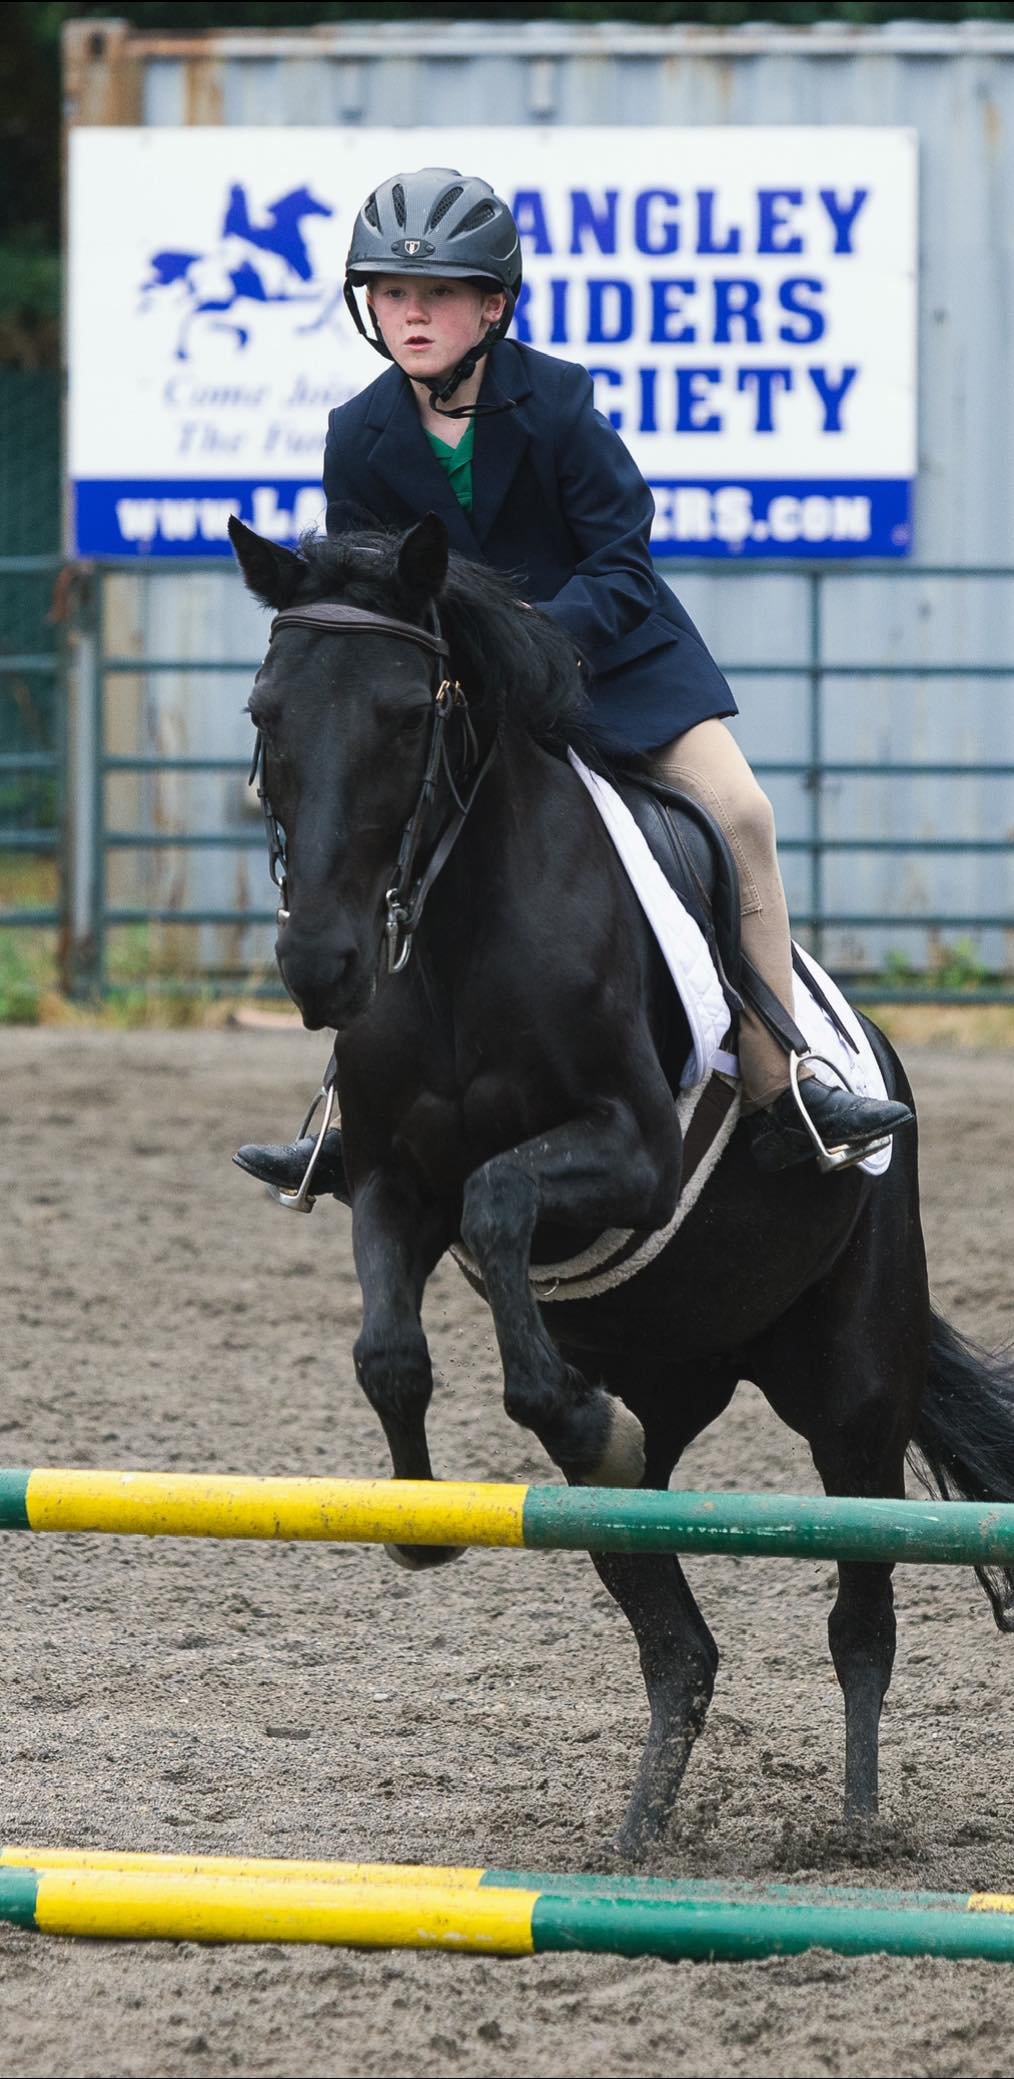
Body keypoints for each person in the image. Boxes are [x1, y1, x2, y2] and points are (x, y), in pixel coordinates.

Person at [239, 167, 911, 1190]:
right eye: (391, 293)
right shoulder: (357, 435)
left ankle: (787, 1086)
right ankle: (350, 1105)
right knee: (382, 851)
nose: (411, 314)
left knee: (743, 815)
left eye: (438, 295)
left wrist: (527, 643)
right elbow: (370, 596)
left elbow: (623, 566)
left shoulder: (556, 402)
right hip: (459, 705)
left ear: (492, 307)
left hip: (616, 670)